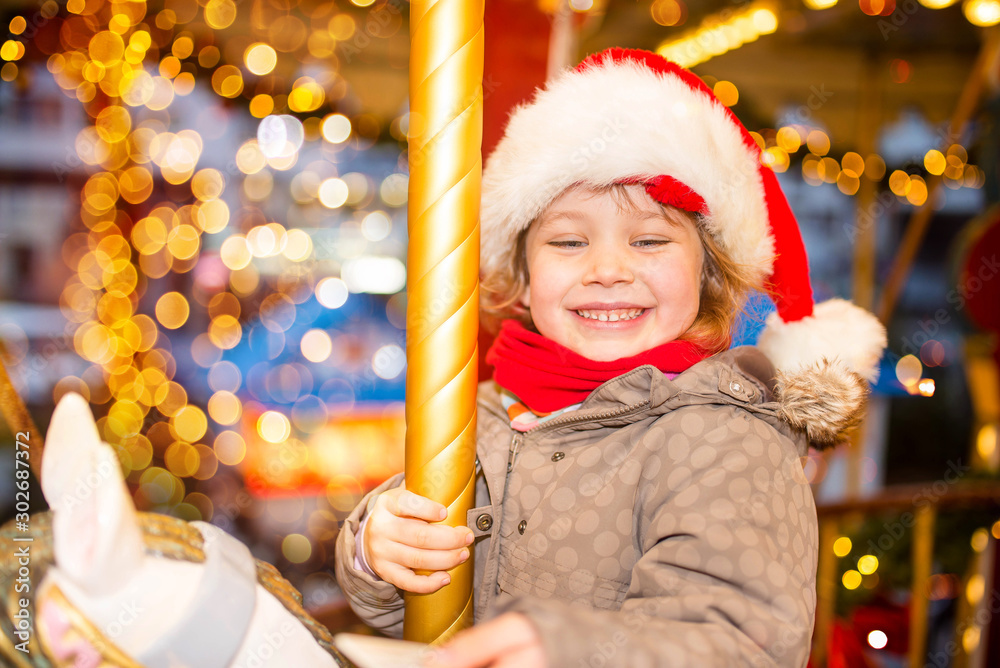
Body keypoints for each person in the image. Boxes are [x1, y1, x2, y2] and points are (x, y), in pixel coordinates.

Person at [334, 47, 887, 667]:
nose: (606, 270)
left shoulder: (725, 435)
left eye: (649, 240)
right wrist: (374, 548)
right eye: (568, 241)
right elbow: (396, 598)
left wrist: (568, 652)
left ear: (710, 276)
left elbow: (736, 640)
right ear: (520, 270)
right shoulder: (484, 409)